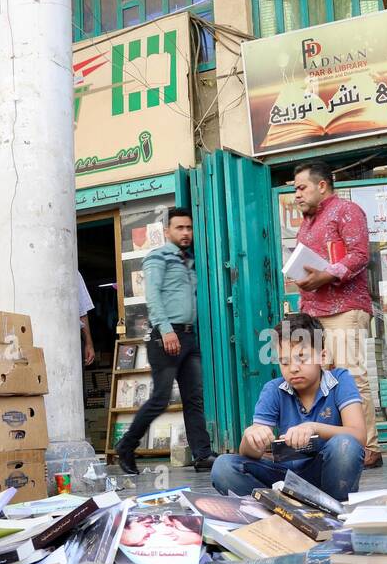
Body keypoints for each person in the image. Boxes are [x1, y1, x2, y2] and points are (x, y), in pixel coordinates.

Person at [211, 312, 366, 503]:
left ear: (323, 357)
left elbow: (358, 435)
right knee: (223, 467)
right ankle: (281, 508)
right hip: (286, 479)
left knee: (346, 445)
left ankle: (334, 508)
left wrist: (313, 427)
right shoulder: (273, 390)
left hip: (327, 476)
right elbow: (249, 454)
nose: (293, 368)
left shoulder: (340, 380)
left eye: (302, 358)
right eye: (285, 362)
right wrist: (252, 437)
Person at [289, 161, 382, 469]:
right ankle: (332, 446)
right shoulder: (306, 223)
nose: (297, 195)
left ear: (322, 186)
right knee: (318, 381)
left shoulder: (347, 210)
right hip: (314, 311)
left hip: (345, 308)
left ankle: (367, 447)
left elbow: (359, 254)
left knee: (351, 378)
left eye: (301, 187)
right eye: (294, 189)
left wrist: (326, 275)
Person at [115, 207, 216, 475]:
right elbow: (153, 297)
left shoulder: (191, 260)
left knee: (194, 398)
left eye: (189, 228)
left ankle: (202, 454)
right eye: (180, 228)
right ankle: (126, 446)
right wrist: (167, 329)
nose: (185, 233)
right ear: (168, 231)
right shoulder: (158, 258)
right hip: (166, 337)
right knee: (160, 398)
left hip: (188, 336)